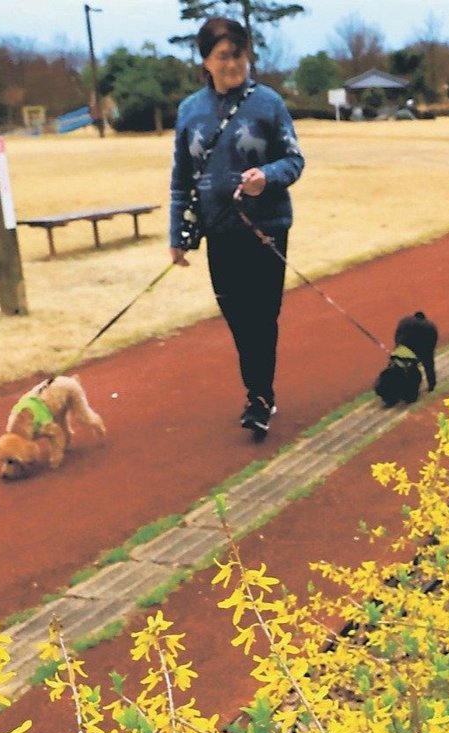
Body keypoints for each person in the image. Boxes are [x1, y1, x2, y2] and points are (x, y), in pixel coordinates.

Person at [169, 17, 305, 439]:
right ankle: (259, 385)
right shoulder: (190, 111)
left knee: (263, 314)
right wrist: (178, 236)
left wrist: (267, 176)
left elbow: (294, 160)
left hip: (266, 226)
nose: (234, 64)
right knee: (237, 315)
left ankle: (259, 397)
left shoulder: (268, 103)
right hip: (219, 232)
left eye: (240, 54)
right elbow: (181, 178)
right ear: (205, 61)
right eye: (224, 56)